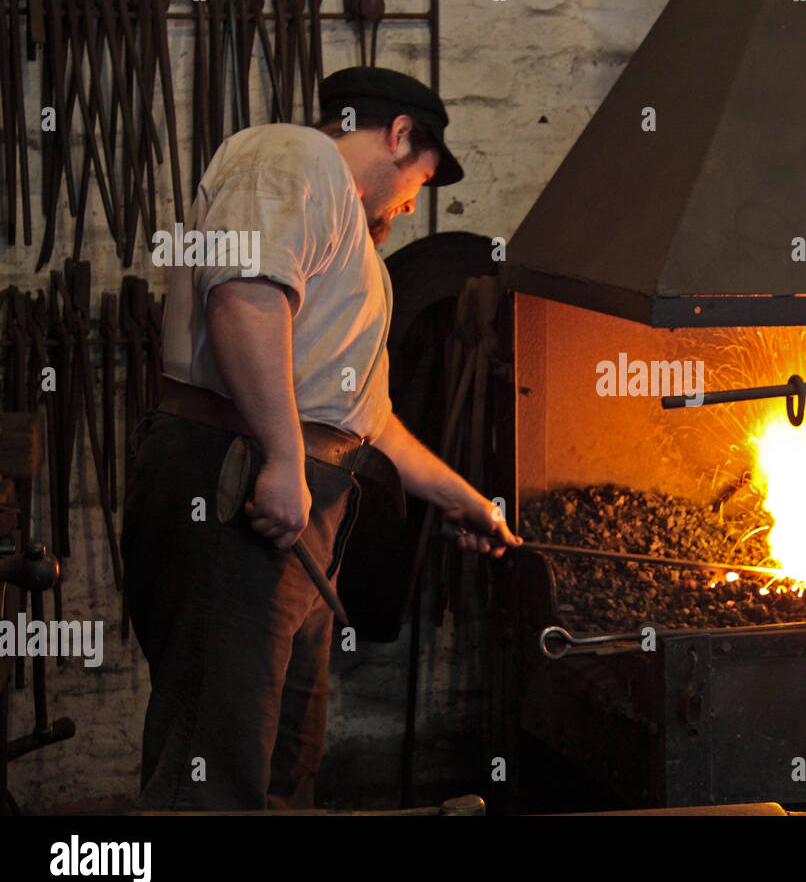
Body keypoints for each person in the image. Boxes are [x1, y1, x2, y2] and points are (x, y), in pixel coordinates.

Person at [121, 67, 521, 810]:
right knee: (215, 761)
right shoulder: (292, 156)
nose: (409, 205)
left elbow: (365, 419)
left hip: (293, 508)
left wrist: (463, 500)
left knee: (281, 765)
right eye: (419, 183)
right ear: (400, 136)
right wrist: (279, 456)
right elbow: (243, 294)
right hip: (232, 482)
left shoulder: (348, 241)